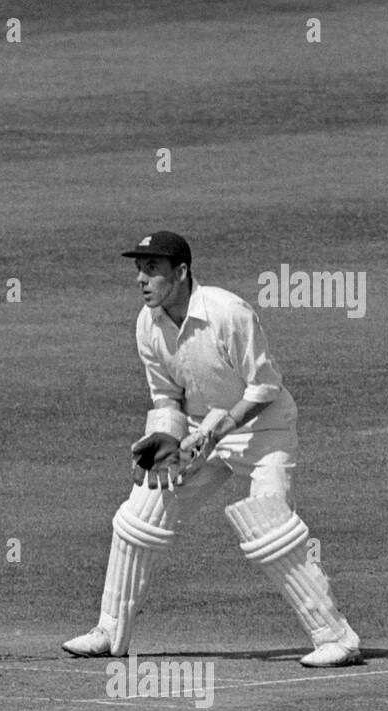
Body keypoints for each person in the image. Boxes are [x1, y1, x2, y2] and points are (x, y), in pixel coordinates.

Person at [63, 231, 361, 668]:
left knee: (267, 524)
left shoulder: (229, 312)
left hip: (264, 429)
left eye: (152, 270)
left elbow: (265, 386)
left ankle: (338, 638)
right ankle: (110, 632)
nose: (142, 280)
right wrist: (166, 436)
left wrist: (220, 427)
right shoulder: (149, 323)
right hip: (203, 432)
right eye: (139, 270)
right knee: (138, 514)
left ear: (181, 272)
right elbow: (166, 395)